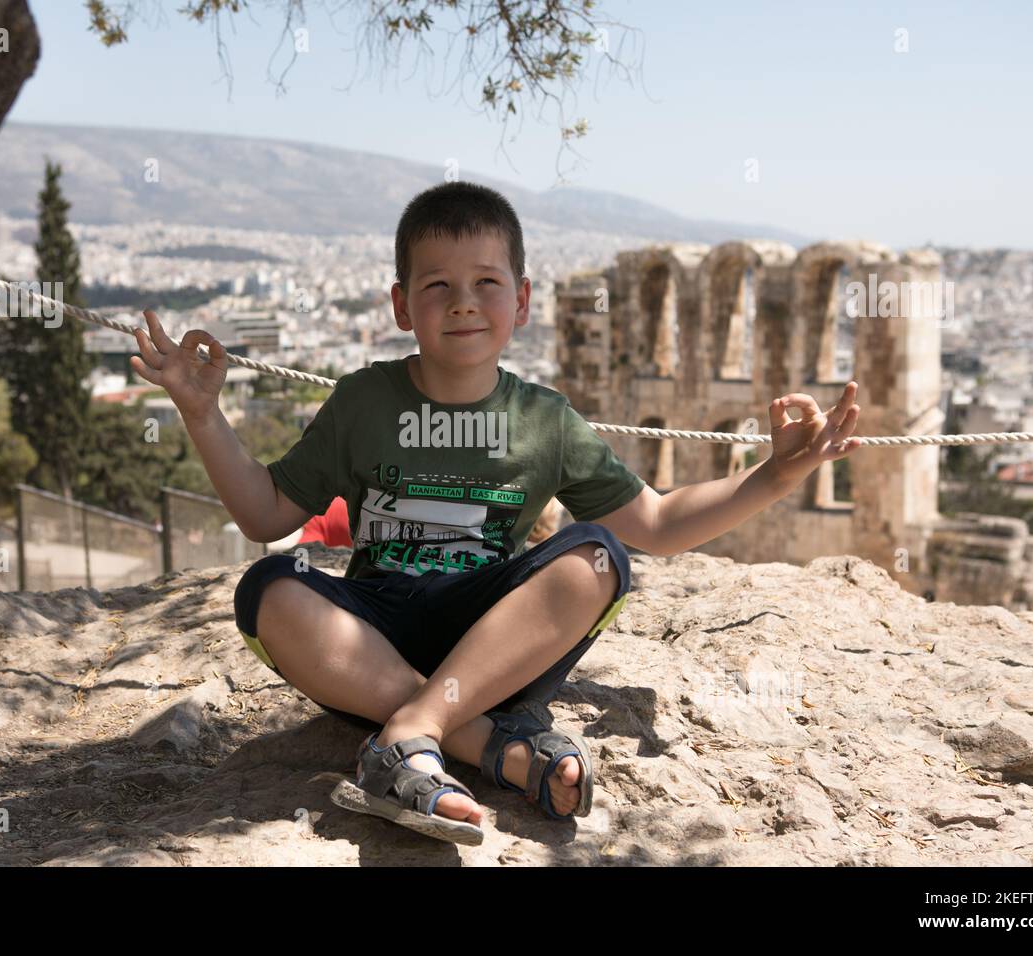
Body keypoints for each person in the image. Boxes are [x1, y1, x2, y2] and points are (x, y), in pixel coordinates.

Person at [130, 180, 864, 845]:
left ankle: (415, 729)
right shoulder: (364, 400)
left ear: (522, 300)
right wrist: (202, 414)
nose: (463, 302)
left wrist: (774, 473)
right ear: (399, 304)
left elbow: (660, 524)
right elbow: (266, 514)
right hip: (370, 631)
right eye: (437, 285)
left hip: (492, 637)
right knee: (269, 590)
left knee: (598, 557)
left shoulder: (544, 419)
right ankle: (484, 744)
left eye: (487, 282)